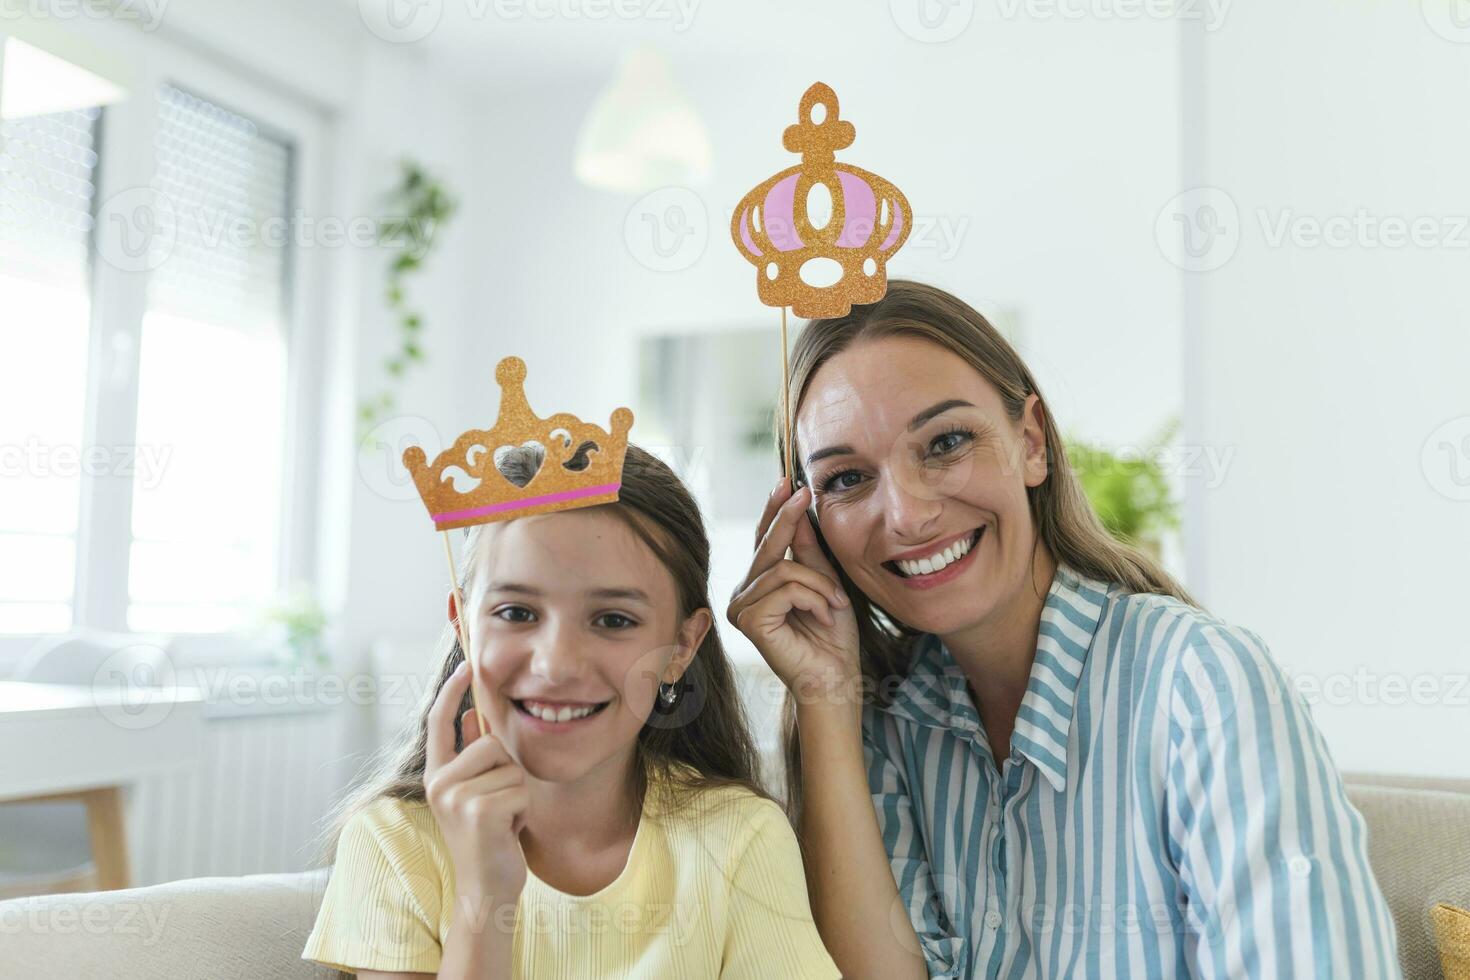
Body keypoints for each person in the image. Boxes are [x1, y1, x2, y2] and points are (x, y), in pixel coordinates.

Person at [728, 281, 1398, 978]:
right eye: (845, 479)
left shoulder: (1200, 684)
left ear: (1031, 442)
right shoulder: (883, 724)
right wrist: (825, 698)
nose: (906, 515)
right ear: (806, 520)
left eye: (946, 442)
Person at [305, 445, 841, 979]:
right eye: (517, 612)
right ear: (464, 628)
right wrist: (484, 891)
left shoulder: (741, 839)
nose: (557, 664)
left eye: (612, 620)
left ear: (681, 646)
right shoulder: (394, 841)